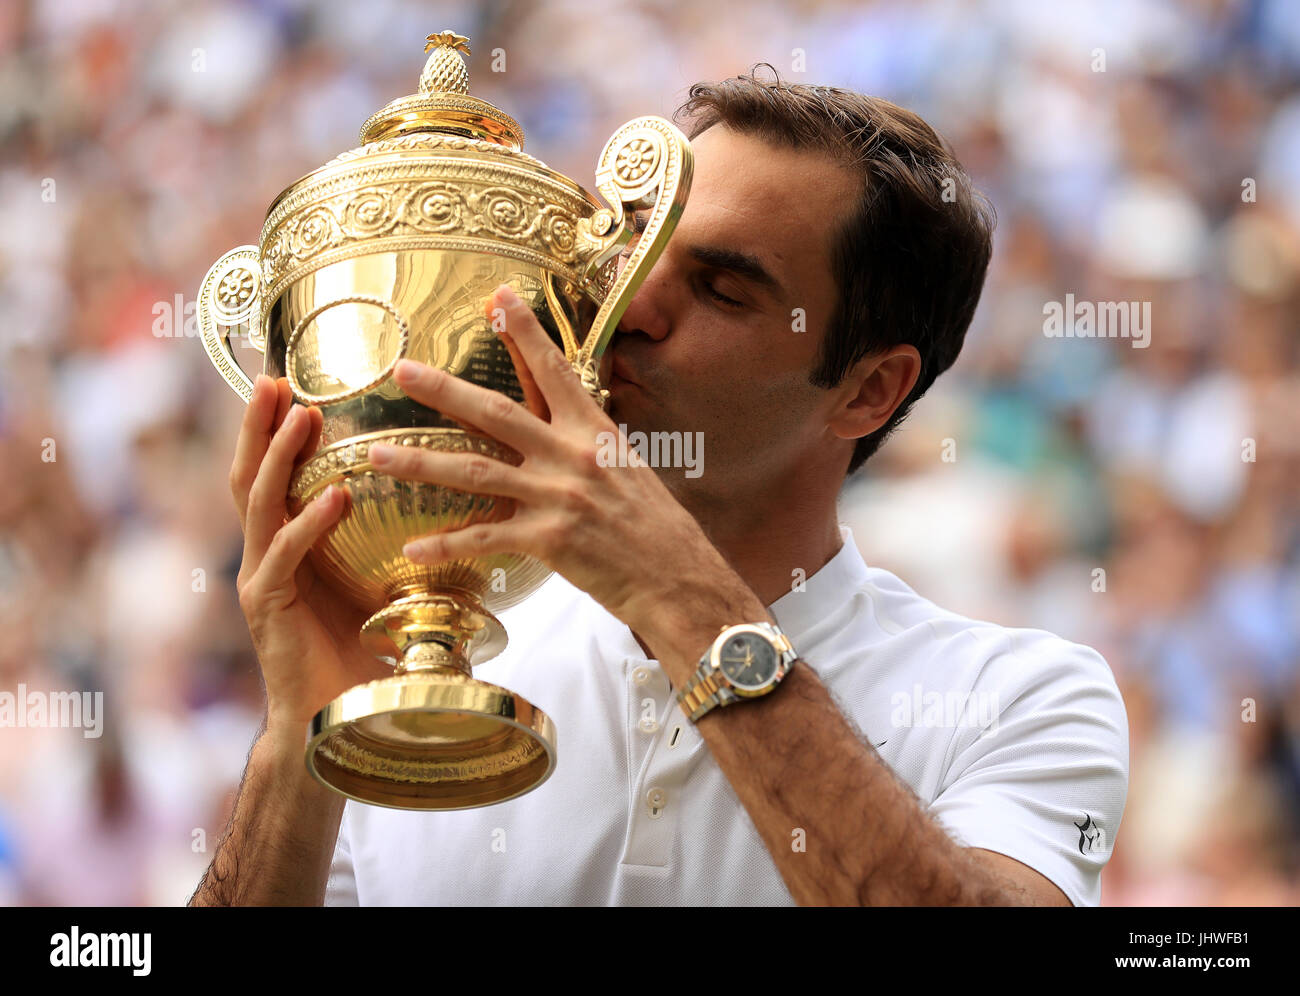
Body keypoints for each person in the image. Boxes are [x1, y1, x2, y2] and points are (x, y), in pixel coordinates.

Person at [190, 69, 1128, 907]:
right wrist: (298, 741)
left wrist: (683, 603)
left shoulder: (1019, 697)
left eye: (722, 289)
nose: (629, 308)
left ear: (867, 390)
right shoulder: (431, 661)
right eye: (630, 252)